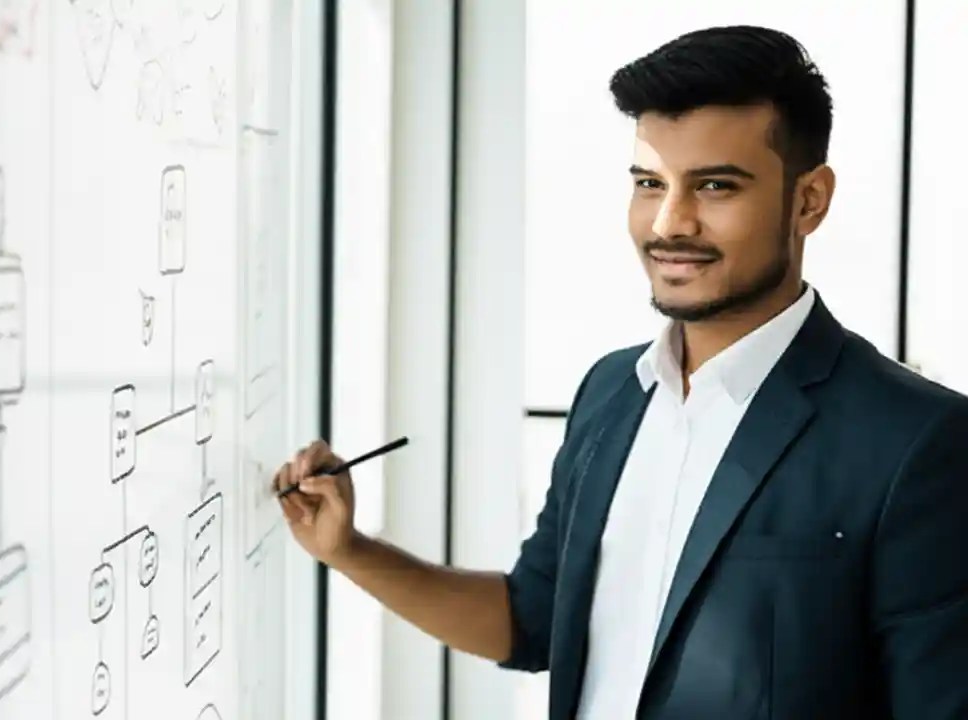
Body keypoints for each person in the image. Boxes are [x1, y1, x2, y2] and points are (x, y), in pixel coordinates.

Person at [274, 25, 968, 720]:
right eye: (649, 184)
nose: (670, 223)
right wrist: (349, 550)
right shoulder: (611, 393)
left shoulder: (918, 441)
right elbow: (531, 620)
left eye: (715, 186)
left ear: (809, 199)